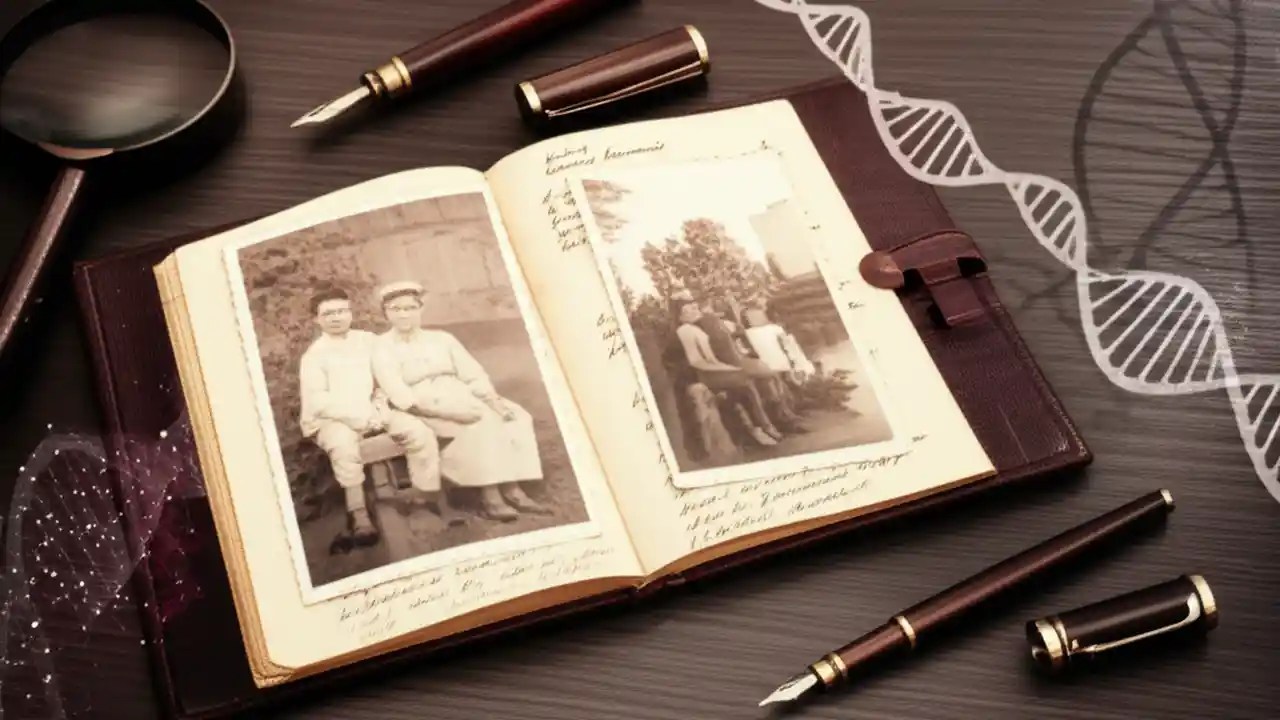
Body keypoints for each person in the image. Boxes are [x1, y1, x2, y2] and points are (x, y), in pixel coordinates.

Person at [371, 281, 550, 523]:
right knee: (478, 423)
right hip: (423, 406)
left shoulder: (442, 338)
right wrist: (449, 412)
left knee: (515, 416)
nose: (404, 314)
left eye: (410, 308)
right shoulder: (381, 347)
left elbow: (472, 373)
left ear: (420, 309)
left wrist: (494, 401)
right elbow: (398, 392)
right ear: (386, 313)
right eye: (396, 309)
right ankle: (491, 496)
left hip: (459, 392)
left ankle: (514, 489)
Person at [298, 287, 444, 549]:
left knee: (418, 431)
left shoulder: (367, 341)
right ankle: (359, 514)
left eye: (342, 311)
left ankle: (424, 498)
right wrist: (359, 418)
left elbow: (384, 378)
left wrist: (382, 406)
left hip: (372, 409)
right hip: (331, 418)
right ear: (316, 320)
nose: (336, 317)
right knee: (343, 446)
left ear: (350, 312)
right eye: (328, 313)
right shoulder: (314, 356)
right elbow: (319, 401)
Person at [674, 300, 781, 448]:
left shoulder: (702, 324)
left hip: (720, 368)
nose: (694, 311)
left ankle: (765, 425)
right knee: (745, 384)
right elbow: (697, 362)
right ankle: (761, 428)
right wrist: (728, 369)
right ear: (680, 318)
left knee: (758, 378)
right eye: (688, 311)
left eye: (694, 307)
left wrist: (733, 363)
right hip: (706, 374)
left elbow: (718, 351)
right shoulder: (685, 331)